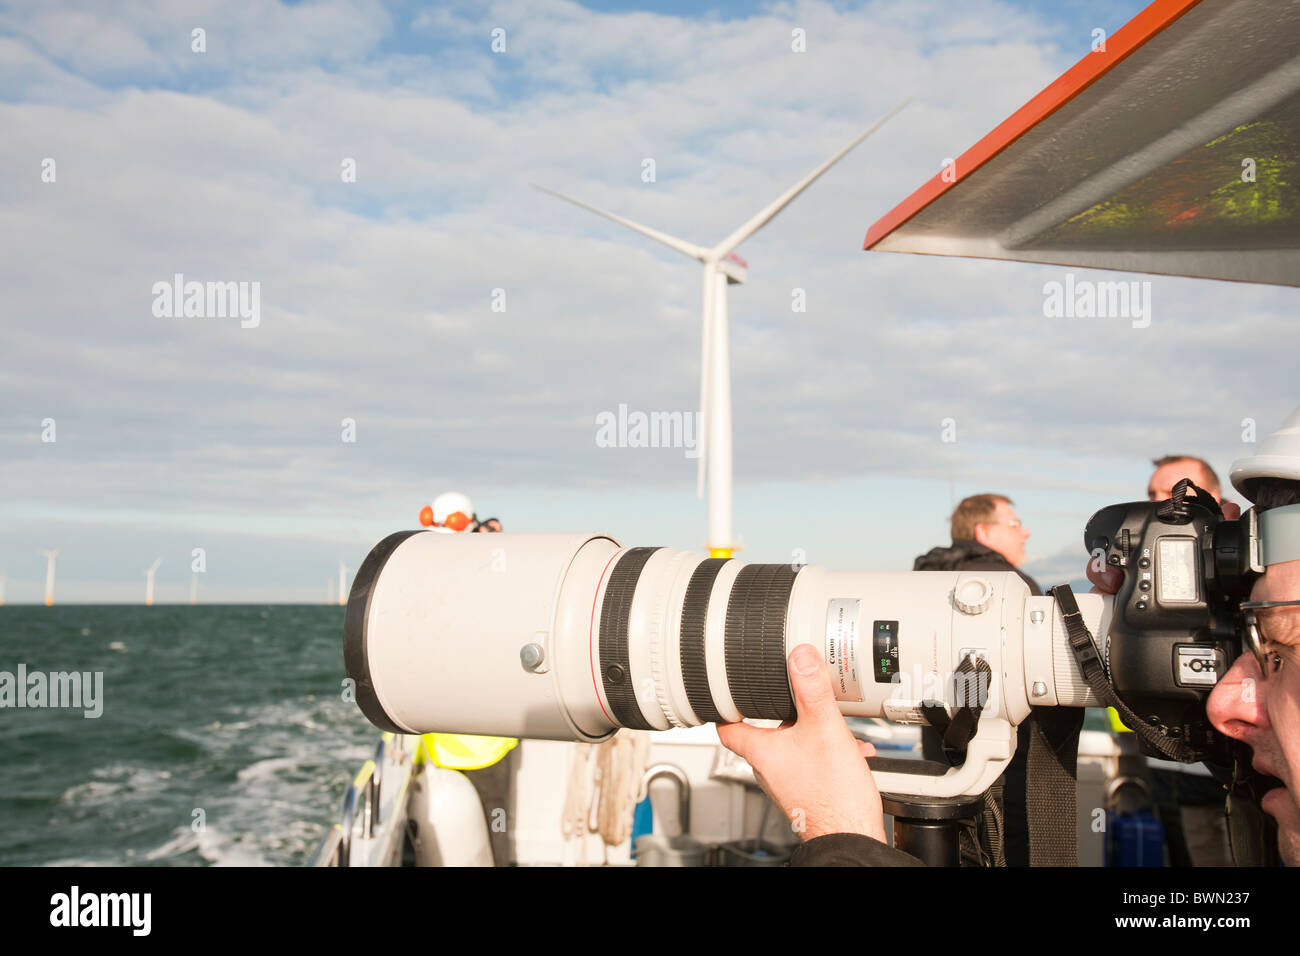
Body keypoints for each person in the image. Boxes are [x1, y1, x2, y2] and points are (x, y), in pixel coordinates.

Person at [720, 405, 1300, 866]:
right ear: (985, 530)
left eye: (1277, 649)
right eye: (1256, 643)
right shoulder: (998, 582)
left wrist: (838, 833)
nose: (1226, 703)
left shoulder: (935, 570)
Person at [912, 494, 1042, 865]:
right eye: (1015, 525)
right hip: (1004, 767)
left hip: (938, 756)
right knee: (1007, 841)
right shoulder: (1013, 587)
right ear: (984, 531)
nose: (1026, 532)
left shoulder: (924, 576)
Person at [1140, 455, 1233, 866]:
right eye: (1153, 494)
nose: (1163, 502)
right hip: (1163, 757)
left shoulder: (1244, 560)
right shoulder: (1137, 562)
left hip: (1232, 760)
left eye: (1176, 490)